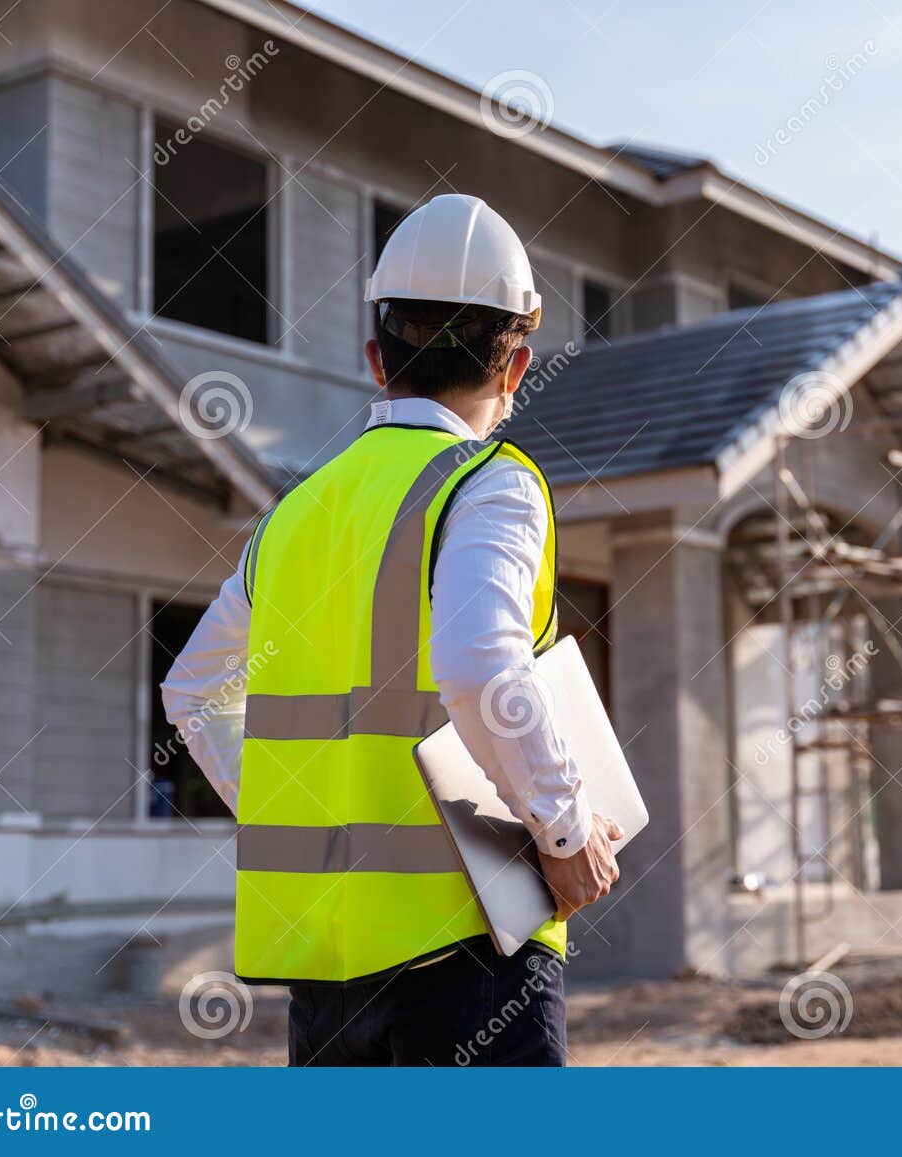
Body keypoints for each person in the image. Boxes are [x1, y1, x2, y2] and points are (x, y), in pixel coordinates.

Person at [161, 193, 623, 1067]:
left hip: (327, 982)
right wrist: (563, 832)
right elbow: (481, 663)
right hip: (471, 953)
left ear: (377, 358)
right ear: (516, 367)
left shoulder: (295, 514)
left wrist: (295, 813)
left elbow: (192, 692)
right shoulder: (490, 482)